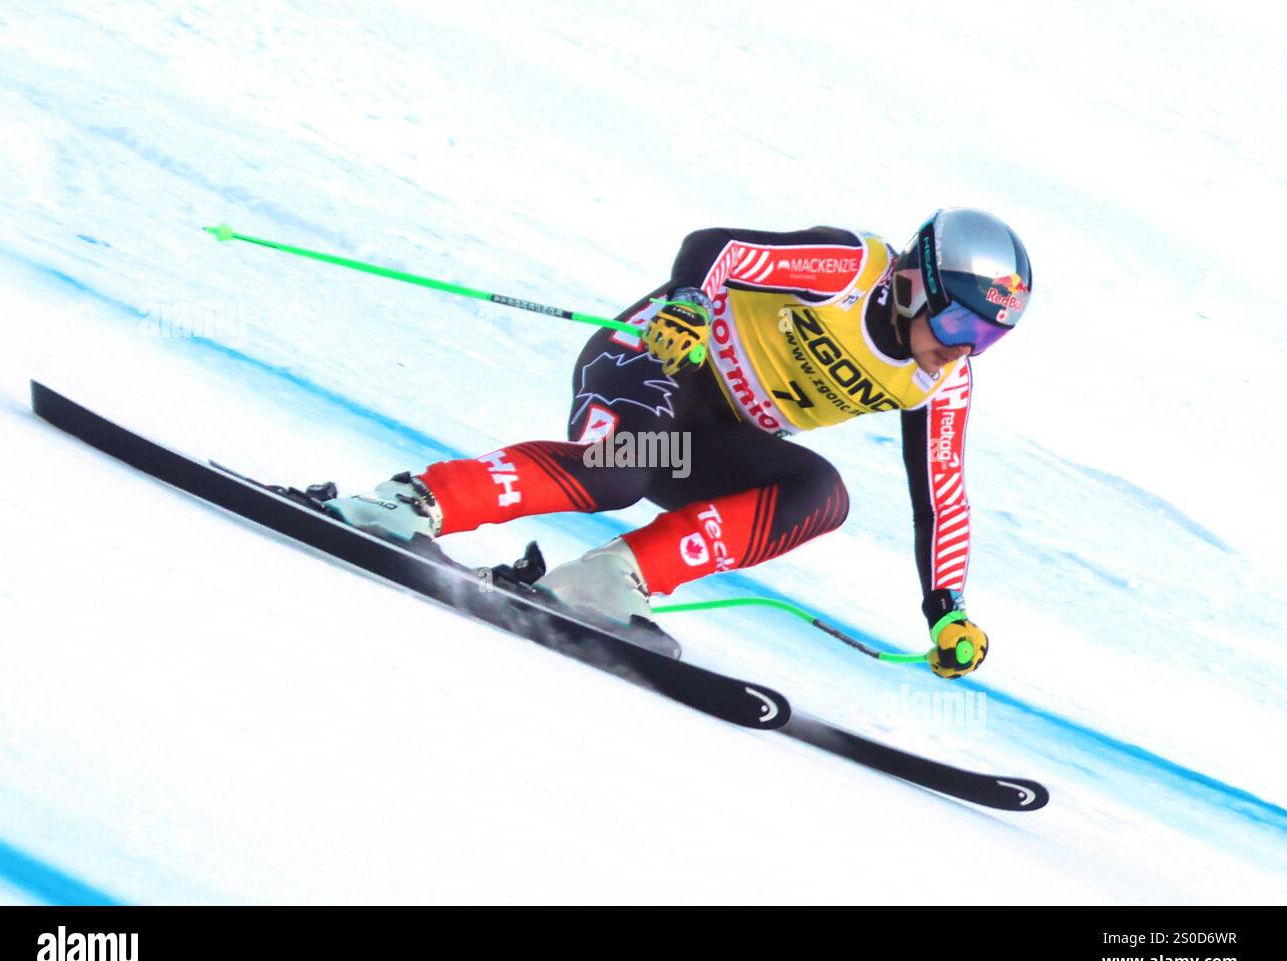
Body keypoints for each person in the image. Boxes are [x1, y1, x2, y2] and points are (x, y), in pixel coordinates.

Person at [324, 208, 1032, 679]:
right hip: (655, 363)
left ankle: (606, 581)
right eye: (959, 325)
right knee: (617, 474)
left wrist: (947, 609)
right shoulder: (849, 270)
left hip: (702, 443)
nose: (963, 349)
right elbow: (715, 247)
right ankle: (408, 502)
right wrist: (690, 303)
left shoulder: (942, 381)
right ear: (911, 287)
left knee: (822, 495)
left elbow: (941, 494)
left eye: (988, 339)